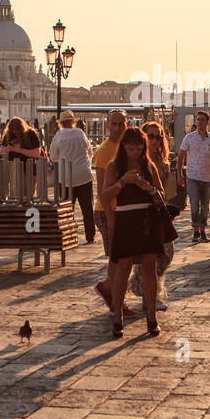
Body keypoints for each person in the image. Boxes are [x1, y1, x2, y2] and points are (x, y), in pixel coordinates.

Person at [100, 126, 165, 339]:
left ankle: (152, 317)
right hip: (126, 218)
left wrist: (148, 187)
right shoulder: (114, 166)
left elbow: (161, 195)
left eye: (138, 147)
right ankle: (117, 315)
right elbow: (104, 196)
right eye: (130, 147)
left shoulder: (149, 165)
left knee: (149, 266)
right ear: (124, 147)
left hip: (146, 219)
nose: (135, 151)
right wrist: (123, 182)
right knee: (123, 267)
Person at [129, 121, 176, 310]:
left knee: (166, 254)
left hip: (160, 214)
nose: (155, 139)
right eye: (151, 135)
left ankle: (143, 288)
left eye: (159, 136)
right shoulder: (137, 161)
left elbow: (167, 190)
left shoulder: (162, 161)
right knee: (147, 257)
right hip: (142, 216)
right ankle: (148, 297)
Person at [92, 111, 134, 319]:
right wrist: (110, 217)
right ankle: (112, 293)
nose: (118, 128)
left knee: (121, 259)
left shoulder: (127, 147)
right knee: (117, 259)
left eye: (121, 124)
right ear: (108, 125)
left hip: (124, 210)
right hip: (107, 210)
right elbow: (101, 189)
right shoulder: (103, 151)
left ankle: (113, 292)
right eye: (114, 124)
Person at [48, 109, 95, 244]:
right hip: (84, 175)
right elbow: (90, 152)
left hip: (67, 177)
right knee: (87, 208)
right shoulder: (81, 134)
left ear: (61, 123)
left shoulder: (59, 135)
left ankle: (68, 236)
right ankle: (90, 236)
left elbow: (53, 156)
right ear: (73, 122)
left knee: (68, 209)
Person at [178, 110, 210, 243]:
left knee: (205, 205)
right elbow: (181, 155)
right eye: (198, 119)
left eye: (202, 120)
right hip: (192, 176)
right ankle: (195, 231)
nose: (200, 122)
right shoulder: (189, 138)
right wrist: (179, 174)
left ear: (207, 122)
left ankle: (203, 230)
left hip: (207, 177)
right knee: (194, 204)